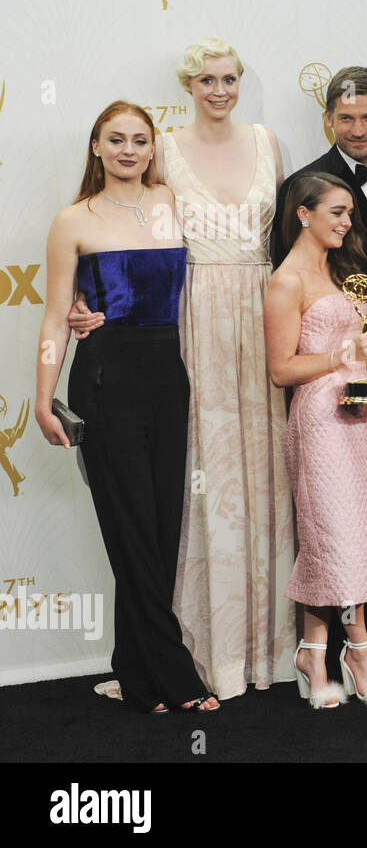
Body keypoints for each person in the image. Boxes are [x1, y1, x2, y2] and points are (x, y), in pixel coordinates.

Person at [72, 38, 296, 700]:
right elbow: (117, 227)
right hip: (190, 322)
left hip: (260, 316)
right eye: (206, 80)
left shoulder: (268, 142)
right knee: (198, 479)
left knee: (263, 472)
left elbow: (286, 240)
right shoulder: (161, 147)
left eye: (229, 78)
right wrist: (90, 297)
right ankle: (193, 653)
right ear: (188, 86)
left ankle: (265, 649)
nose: (219, 90)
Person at [35, 101, 217, 713]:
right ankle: (177, 677)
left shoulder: (171, 202)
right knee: (132, 529)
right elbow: (55, 316)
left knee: (160, 533)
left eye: (140, 140)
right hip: (104, 380)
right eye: (116, 140)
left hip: (168, 378)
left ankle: (135, 676)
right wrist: (43, 398)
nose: (128, 151)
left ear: (152, 147)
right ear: (96, 146)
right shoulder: (73, 220)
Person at [273, 67, 367, 649]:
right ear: (328, 120)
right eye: (346, 118)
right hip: (338, 377)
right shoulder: (307, 186)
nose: (358, 129)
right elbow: (291, 275)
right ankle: (344, 632)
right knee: (342, 507)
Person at [264, 172, 367, 709]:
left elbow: (362, 347)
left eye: (349, 214)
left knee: (353, 540)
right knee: (333, 540)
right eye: (337, 212)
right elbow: (281, 369)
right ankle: (360, 652)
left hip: (360, 418)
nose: (347, 223)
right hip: (320, 421)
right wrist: (340, 357)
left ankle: (314, 652)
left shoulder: (341, 270)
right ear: (304, 213)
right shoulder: (286, 281)